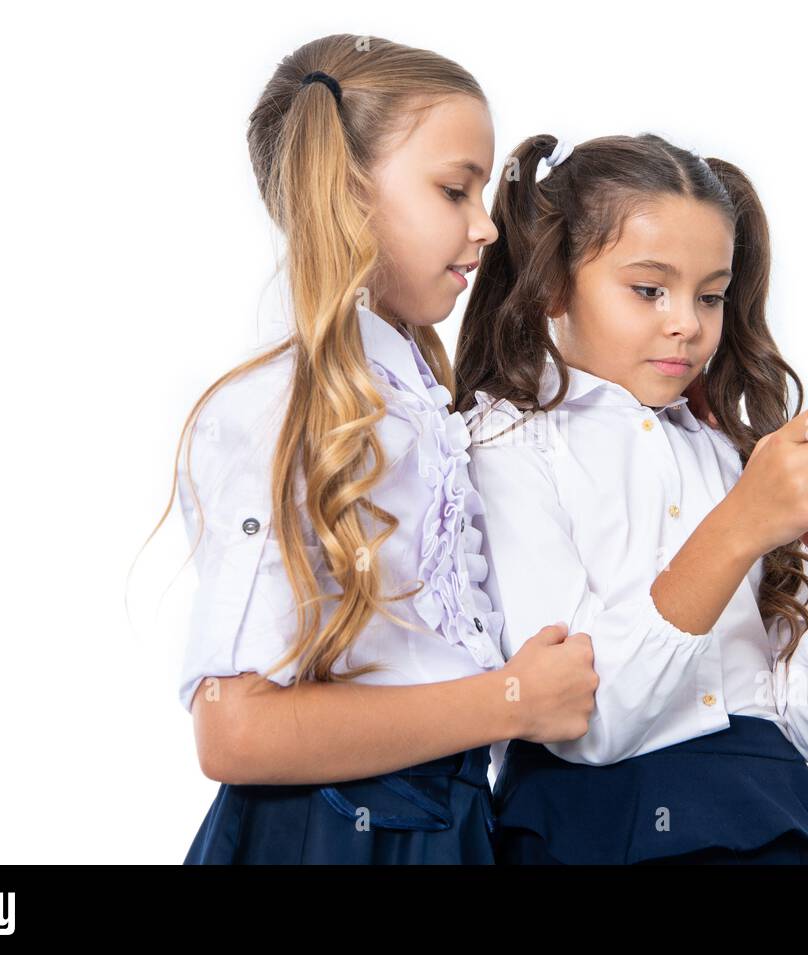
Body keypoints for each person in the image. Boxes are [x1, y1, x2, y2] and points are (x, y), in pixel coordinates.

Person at [150, 35, 596, 865]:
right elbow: (235, 729)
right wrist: (512, 700)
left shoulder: (420, 405)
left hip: (447, 828)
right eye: (454, 190)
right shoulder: (275, 411)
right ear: (347, 193)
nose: (486, 225)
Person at [454, 132, 808, 864]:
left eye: (711, 295)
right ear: (551, 284)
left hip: (765, 818)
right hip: (597, 826)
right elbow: (585, 717)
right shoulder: (505, 445)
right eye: (649, 290)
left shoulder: (718, 450)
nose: (688, 323)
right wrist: (738, 528)